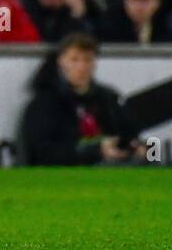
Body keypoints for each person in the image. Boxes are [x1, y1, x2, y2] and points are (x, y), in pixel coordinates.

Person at [20, 33, 147, 165]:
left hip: (111, 168)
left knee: (156, 161)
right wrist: (95, 151)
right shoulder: (44, 103)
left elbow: (129, 133)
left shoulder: (107, 98)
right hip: (67, 174)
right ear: (61, 62)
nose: (81, 67)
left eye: (87, 60)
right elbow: (43, 154)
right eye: (74, 60)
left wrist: (136, 147)